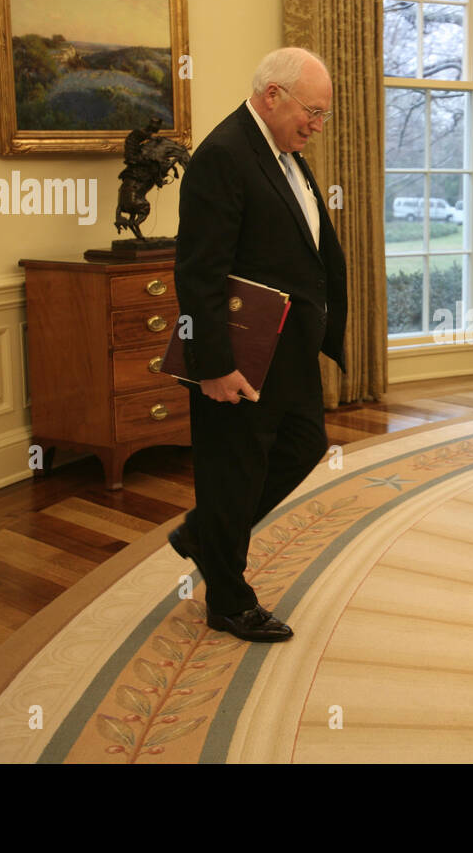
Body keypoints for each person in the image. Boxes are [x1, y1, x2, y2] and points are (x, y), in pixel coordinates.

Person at [169, 48, 347, 642]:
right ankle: (228, 600)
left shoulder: (282, 151)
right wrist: (214, 366)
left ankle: (205, 534)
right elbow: (199, 273)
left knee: (304, 444)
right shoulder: (224, 155)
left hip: (286, 351)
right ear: (273, 95)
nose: (317, 125)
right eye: (312, 112)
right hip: (239, 356)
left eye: (322, 115)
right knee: (232, 472)